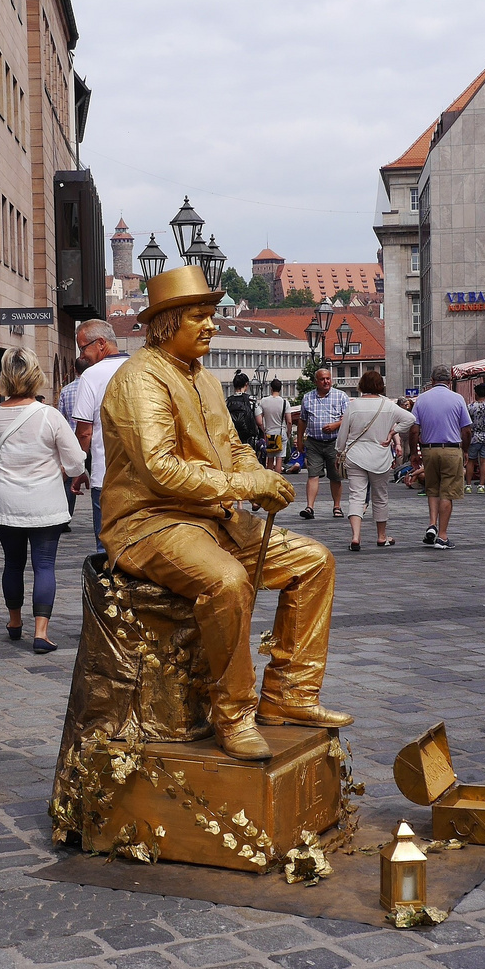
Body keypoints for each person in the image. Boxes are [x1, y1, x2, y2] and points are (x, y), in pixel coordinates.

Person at [99, 266, 349, 762]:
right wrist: (242, 484)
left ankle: (289, 695)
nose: (211, 325)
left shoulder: (205, 380)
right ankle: (233, 713)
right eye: (199, 316)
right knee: (228, 582)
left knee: (314, 561)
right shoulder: (139, 379)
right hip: (150, 522)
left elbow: (233, 447)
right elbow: (160, 469)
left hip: (213, 515)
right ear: (168, 322)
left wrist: (262, 479)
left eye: (211, 315)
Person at [0, 348, 88, 654]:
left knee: (13, 563)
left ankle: (15, 621)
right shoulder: (50, 416)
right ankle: (41, 633)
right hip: (45, 501)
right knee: (44, 565)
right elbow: (74, 461)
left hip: (6, 501)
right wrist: (72, 472)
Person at [336, 370, 414, 550]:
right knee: (380, 497)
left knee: (356, 496)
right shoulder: (388, 405)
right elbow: (410, 418)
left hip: (355, 455)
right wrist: (393, 432)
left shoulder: (353, 406)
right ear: (381, 386)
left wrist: (339, 452)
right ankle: (381, 536)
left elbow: (343, 434)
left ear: (362, 385)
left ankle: (356, 536)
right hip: (379, 456)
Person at [70, 319, 130, 553]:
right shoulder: (140, 368)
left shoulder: (91, 376)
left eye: (84, 347)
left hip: (106, 475)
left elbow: (85, 431)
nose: (82, 355)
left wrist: (77, 468)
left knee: (106, 548)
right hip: (144, 474)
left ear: (101, 343)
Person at [410, 366, 472, 549]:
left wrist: (414, 453)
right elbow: (467, 430)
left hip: (429, 450)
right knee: (448, 492)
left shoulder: (421, 399)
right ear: (449, 381)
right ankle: (442, 536)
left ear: (432, 380)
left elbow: (414, 430)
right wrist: (465, 450)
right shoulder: (458, 399)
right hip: (451, 449)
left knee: (433, 489)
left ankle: (432, 525)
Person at [296, 367, 349, 518]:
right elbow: (302, 420)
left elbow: (347, 418)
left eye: (328, 378)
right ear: (315, 382)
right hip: (314, 442)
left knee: (335, 476)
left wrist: (335, 425)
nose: (326, 381)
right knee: (312, 474)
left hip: (334, 442)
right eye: (322, 379)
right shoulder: (308, 397)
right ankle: (309, 507)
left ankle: (337, 506)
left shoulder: (341, 396)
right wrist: (299, 440)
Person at [56, 354, 93, 522]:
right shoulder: (94, 387)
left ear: (75, 370)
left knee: (69, 480)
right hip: (94, 440)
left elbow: (60, 417)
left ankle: (66, 517)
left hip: (72, 441)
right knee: (100, 480)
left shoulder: (66, 390)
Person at [226, 371, 263, 461]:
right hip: (248, 439)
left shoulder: (228, 401)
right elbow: (259, 421)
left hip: (233, 439)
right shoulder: (251, 400)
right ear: (246, 384)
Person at [258, 378, 290, 472]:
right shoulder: (285, 402)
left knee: (270, 458)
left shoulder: (264, 401)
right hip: (281, 431)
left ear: (271, 388)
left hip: (270, 432)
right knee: (279, 458)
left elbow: (259, 420)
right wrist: (288, 433)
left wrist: (264, 430)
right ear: (280, 389)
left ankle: (270, 480)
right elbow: (289, 421)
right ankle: (278, 479)